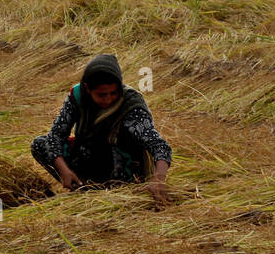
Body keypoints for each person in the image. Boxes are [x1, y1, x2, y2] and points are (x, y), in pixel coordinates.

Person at [30, 54, 172, 206]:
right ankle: (80, 186)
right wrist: (64, 171)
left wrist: (158, 179)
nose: (108, 99)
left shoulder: (130, 105)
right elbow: (55, 136)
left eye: (113, 93)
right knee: (40, 144)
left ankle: (111, 193)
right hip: (88, 157)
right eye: (102, 95)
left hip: (121, 166)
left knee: (114, 152)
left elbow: (158, 145)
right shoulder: (77, 96)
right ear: (87, 89)